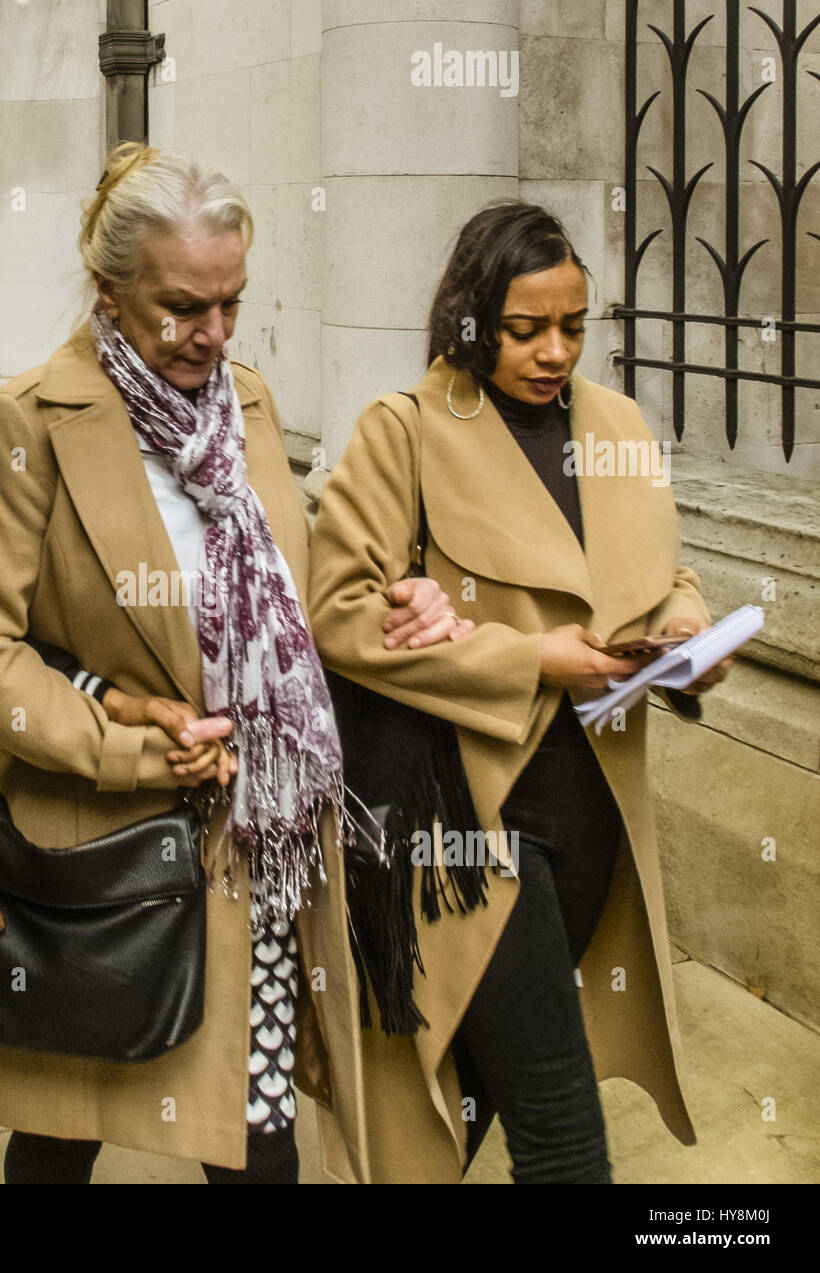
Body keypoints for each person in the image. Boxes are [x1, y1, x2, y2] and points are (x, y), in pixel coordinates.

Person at [0, 143, 467, 1184]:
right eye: (181, 307)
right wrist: (123, 745)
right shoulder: (33, 417)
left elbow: (294, 586)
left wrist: (395, 596)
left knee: (253, 1139)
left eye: (230, 303)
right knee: (63, 1132)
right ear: (108, 291)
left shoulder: (242, 400)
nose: (212, 332)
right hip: (95, 859)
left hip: (249, 846)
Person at [308, 201, 731, 1183]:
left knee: (464, 1104)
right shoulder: (403, 431)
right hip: (472, 829)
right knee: (565, 1144)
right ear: (470, 319)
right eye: (524, 328)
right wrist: (536, 659)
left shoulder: (618, 424)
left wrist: (685, 630)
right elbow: (336, 614)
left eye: (572, 327)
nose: (553, 351)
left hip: (598, 825)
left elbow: (660, 571)